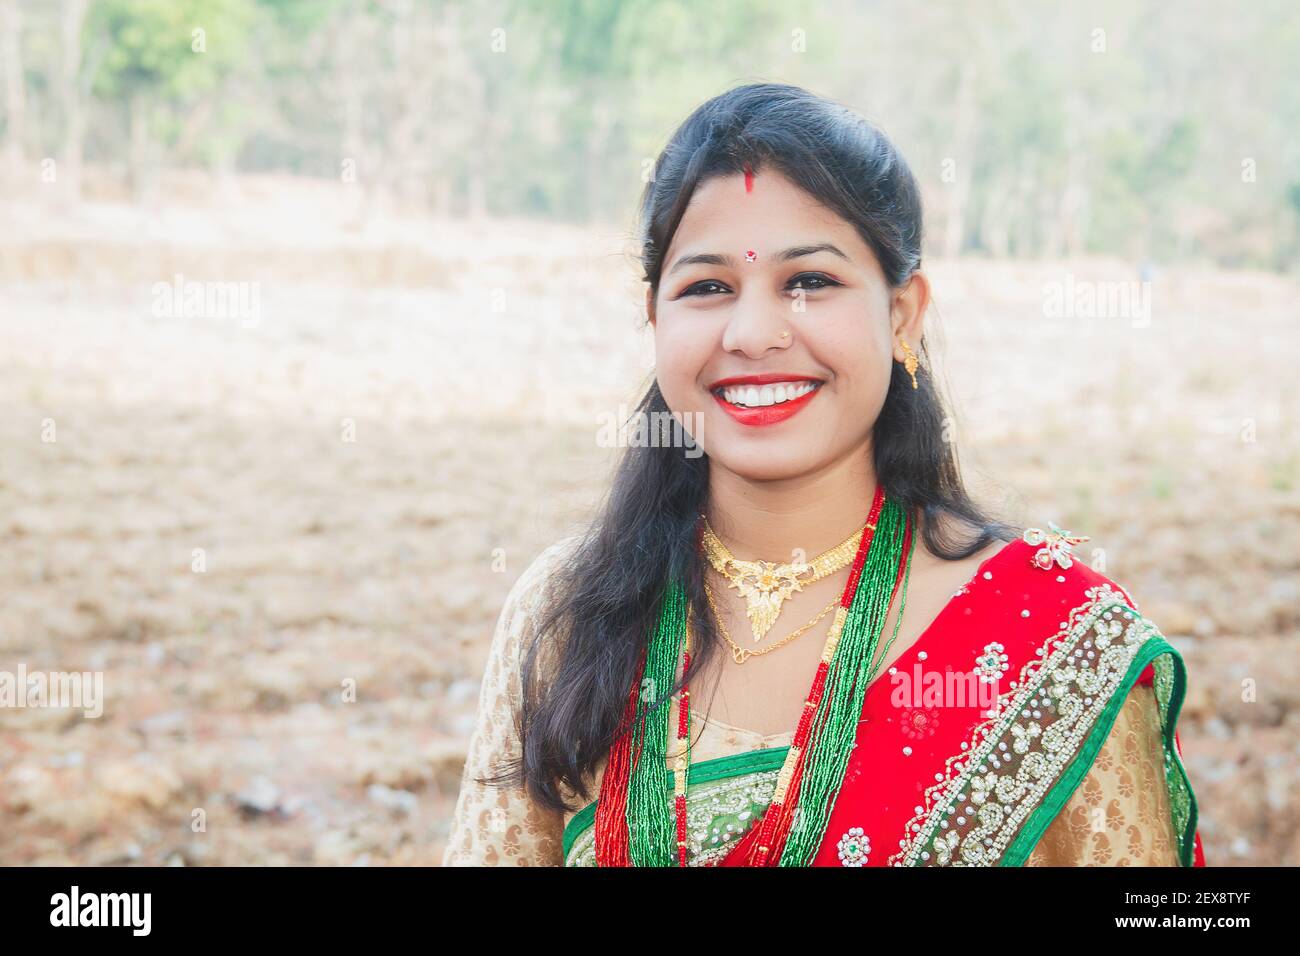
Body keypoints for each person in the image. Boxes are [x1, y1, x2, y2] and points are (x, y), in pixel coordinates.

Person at [441, 82, 1206, 867]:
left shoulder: (1048, 637)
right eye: (707, 288)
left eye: (810, 281)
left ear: (902, 313)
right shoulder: (568, 612)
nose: (754, 333)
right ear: (654, 316)